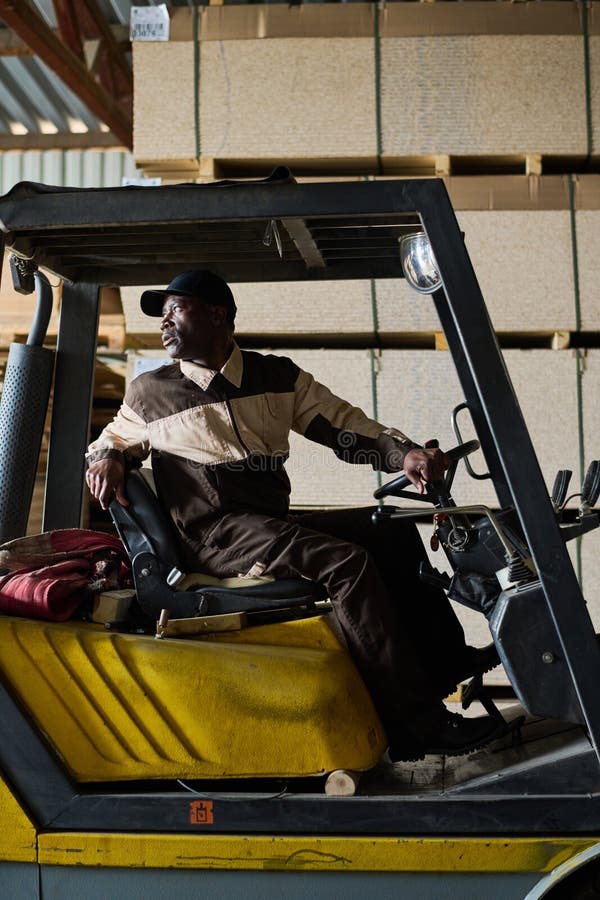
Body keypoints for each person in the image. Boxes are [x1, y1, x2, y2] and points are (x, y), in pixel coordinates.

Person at [86, 270, 503, 761]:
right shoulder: (149, 393)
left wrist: (404, 453)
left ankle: (443, 666)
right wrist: (108, 459)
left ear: (217, 314)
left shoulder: (276, 376)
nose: (164, 323)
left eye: (174, 309)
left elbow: (345, 425)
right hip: (216, 537)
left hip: (270, 524)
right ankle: (417, 725)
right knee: (345, 563)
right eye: (162, 315)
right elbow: (108, 441)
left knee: (388, 532)